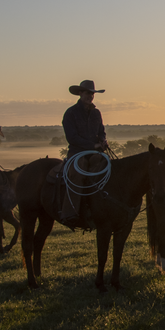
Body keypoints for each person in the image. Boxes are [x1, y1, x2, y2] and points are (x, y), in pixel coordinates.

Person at [61, 80, 109, 223]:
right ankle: (70, 212)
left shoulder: (96, 113)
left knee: (109, 170)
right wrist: (92, 145)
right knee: (76, 174)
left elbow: (101, 131)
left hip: (95, 153)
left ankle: (103, 208)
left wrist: (102, 141)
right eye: (88, 93)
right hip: (77, 153)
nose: (91, 96)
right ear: (80, 93)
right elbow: (72, 138)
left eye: (92, 93)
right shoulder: (70, 113)